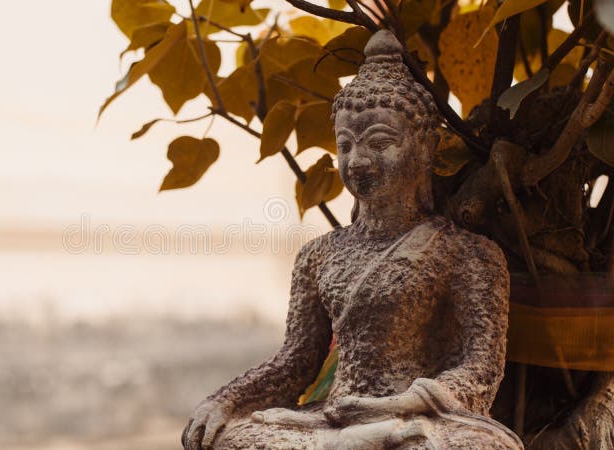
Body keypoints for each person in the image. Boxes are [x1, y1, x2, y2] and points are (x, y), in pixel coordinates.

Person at [182, 30, 522, 450]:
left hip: (419, 421)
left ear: (426, 147)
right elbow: (295, 362)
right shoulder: (319, 255)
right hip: (334, 419)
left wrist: (401, 405)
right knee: (231, 436)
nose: (358, 160)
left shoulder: (468, 254)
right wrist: (226, 400)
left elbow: (480, 369)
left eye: (380, 142)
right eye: (345, 145)